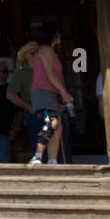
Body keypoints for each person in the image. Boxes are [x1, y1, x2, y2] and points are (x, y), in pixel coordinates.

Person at [28, 24, 74, 166]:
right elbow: (49, 73)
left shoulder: (48, 51)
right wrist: (63, 91)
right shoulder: (45, 50)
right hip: (43, 90)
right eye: (58, 33)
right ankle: (37, 155)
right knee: (52, 121)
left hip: (50, 92)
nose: (60, 36)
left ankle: (52, 160)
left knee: (57, 126)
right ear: (52, 35)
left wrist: (59, 93)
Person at [7, 42, 41, 160]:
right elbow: (10, 94)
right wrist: (28, 107)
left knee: (59, 146)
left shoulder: (47, 69)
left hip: (53, 111)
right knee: (39, 147)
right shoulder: (21, 73)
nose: (37, 55)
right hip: (36, 114)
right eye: (33, 53)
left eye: (39, 52)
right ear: (26, 56)